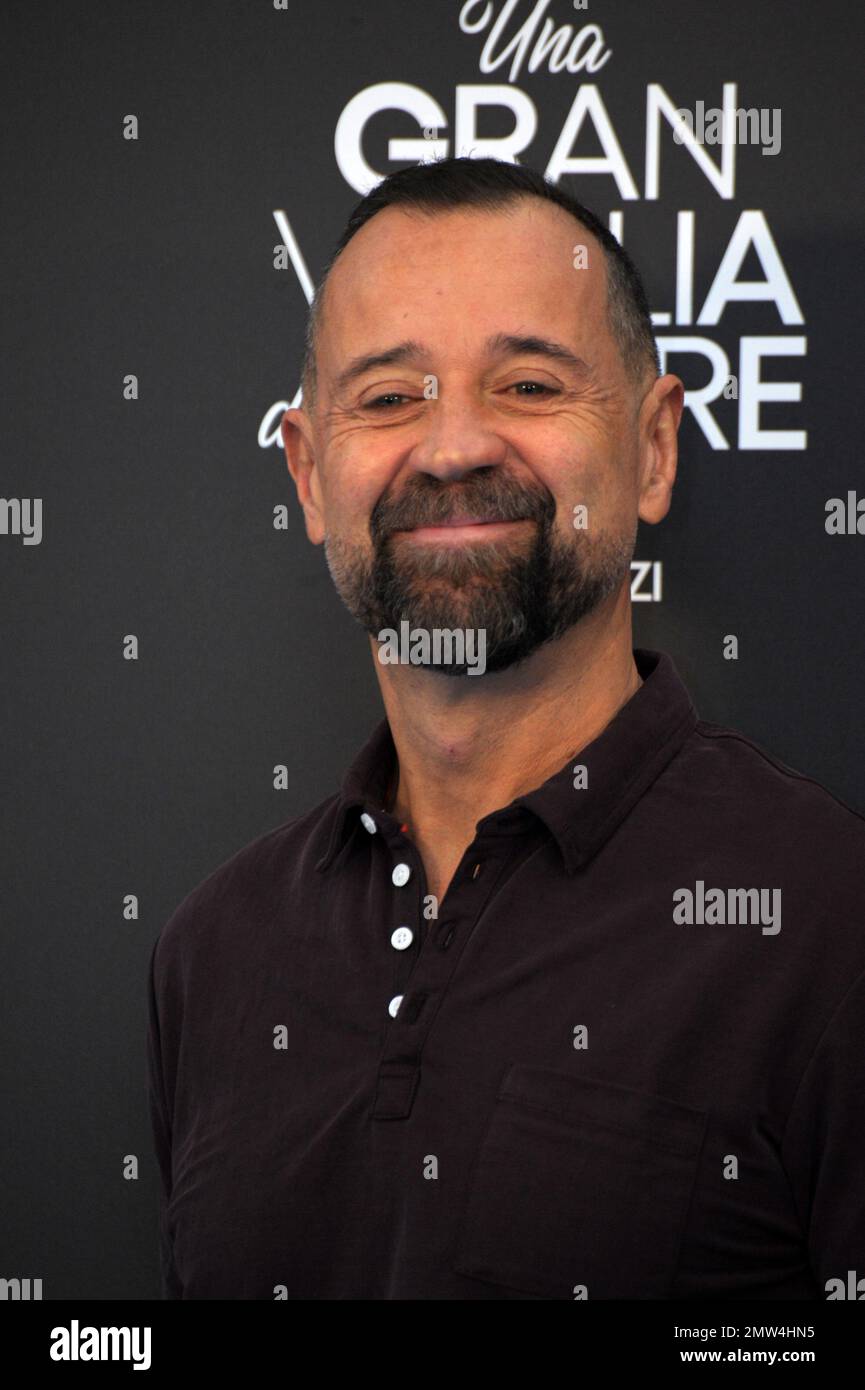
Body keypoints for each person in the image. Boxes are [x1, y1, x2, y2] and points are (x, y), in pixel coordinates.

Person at [147, 156, 865, 1300]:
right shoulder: (209, 954)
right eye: (388, 398)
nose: (453, 447)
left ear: (653, 449)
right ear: (308, 472)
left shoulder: (829, 920)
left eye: (528, 384)